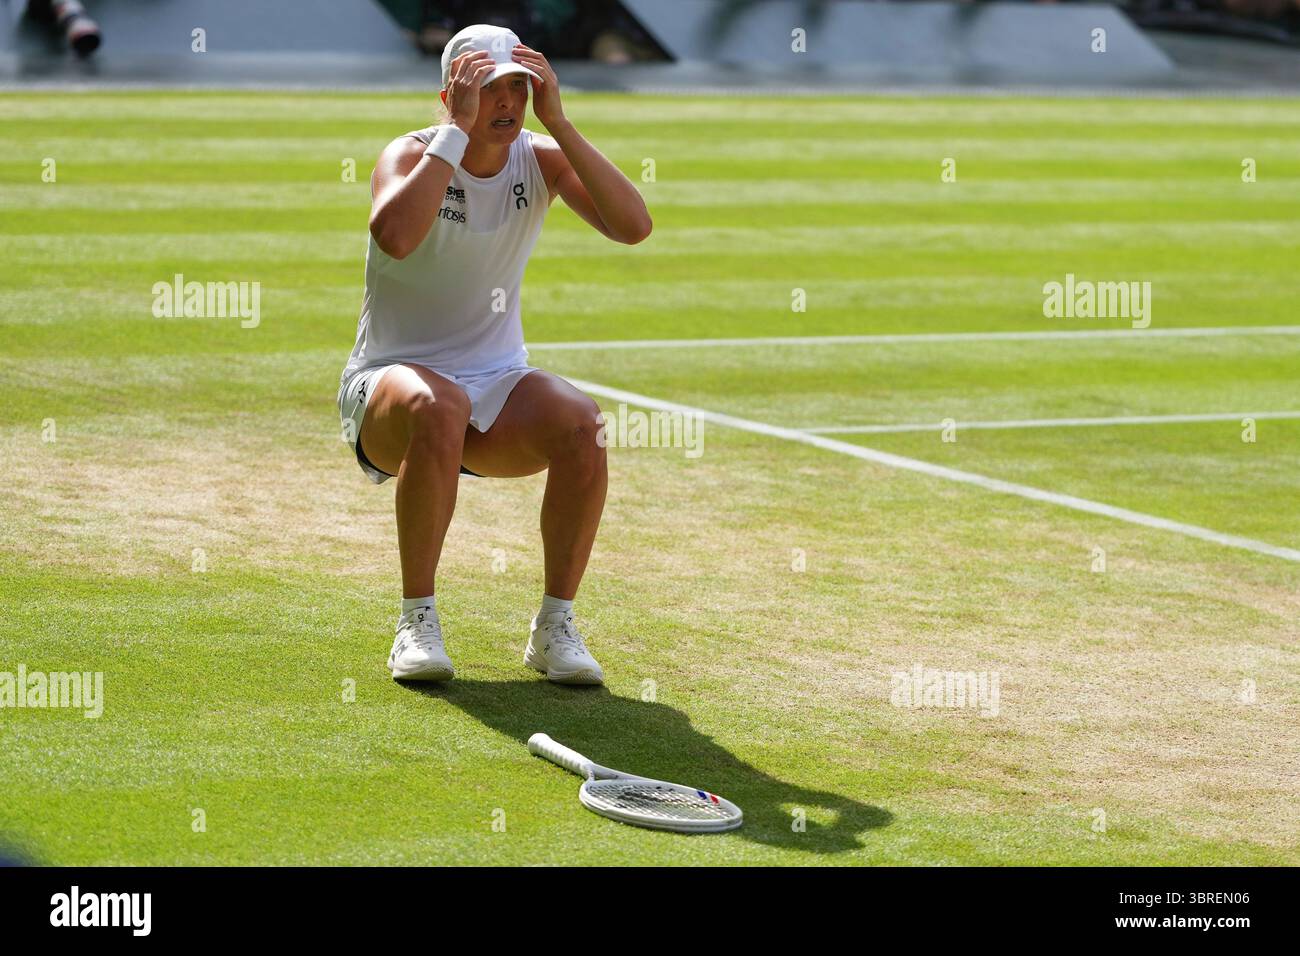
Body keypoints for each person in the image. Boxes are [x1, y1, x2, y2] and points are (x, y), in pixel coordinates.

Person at [338, 23, 651, 685]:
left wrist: (561, 124)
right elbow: (395, 236)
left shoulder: (539, 158)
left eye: (519, 87)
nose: (507, 102)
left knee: (582, 424)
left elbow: (633, 226)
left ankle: (554, 627)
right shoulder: (410, 153)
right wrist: (454, 132)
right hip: (389, 391)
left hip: (496, 387)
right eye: (489, 88)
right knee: (437, 402)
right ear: (454, 92)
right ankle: (416, 622)